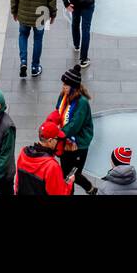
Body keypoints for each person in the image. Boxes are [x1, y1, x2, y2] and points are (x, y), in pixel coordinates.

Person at [10, 0, 57, 79]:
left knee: (23, 36)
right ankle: (35, 67)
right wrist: (53, 14)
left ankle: (23, 62)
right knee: (38, 40)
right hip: (42, 14)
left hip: (24, 14)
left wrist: (14, 11)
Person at [55, 66, 96, 194]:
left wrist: (60, 134)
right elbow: (57, 112)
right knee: (66, 175)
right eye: (63, 84)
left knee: (73, 174)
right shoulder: (63, 96)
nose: (63, 87)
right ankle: (86, 190)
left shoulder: (82, 103)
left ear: (73, 86)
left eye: (66, 85)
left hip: (78, 144)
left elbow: (75, 124)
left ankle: (91, 189)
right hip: (65, 142)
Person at [14, 112, 74, 196]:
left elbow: (17, 183)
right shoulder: (52, 166)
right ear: (50, 140)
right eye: (57, 139)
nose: (58, 141)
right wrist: (69, 183)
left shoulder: (23, 152)